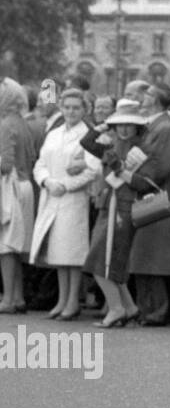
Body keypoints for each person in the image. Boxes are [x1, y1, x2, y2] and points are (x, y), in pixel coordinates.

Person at [30, 88, 98, 319]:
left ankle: (72, 302)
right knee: (57, 251)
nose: (71, 111)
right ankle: (61, 299)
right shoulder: (54, 133)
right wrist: (47, 181)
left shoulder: (88, 134)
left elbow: (93, 170)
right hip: (51, 194)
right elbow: (40, 163)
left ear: (84, 110)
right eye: (67, 107)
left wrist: (67, 185)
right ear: (61, 108)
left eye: (76, 107)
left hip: (73, 198)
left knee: (72, 251)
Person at [80, 97, 148, 327]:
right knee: (109, 261)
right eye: (120, 124)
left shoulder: (140, 148)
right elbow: (87, 141)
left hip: (123, 206)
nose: (125, 128)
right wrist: (104, 126)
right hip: (107, 204)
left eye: (129, 124)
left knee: (101, 261)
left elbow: (143, 181)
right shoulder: (112, 144)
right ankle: (128, 307)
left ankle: (116, 308)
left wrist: (116, 161)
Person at [125, 83, 170, 326]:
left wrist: (138, 179)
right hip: (148, 192)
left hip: (156, 194)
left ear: (157, 101)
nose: (143, 97)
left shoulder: (164, 127)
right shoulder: (154, 124)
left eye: (148, 94)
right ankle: (146, 308)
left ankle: (156, 310)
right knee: (143, 254)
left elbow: (161, 164)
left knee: (152, 255)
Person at [0, 78, 37, 311]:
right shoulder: (22, 123)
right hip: (24, 185)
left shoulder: (5, 124)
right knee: (15, 246)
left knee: (6, 247)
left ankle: (9, 299)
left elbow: (5, 164)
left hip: (10, 186)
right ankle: (18, 296)